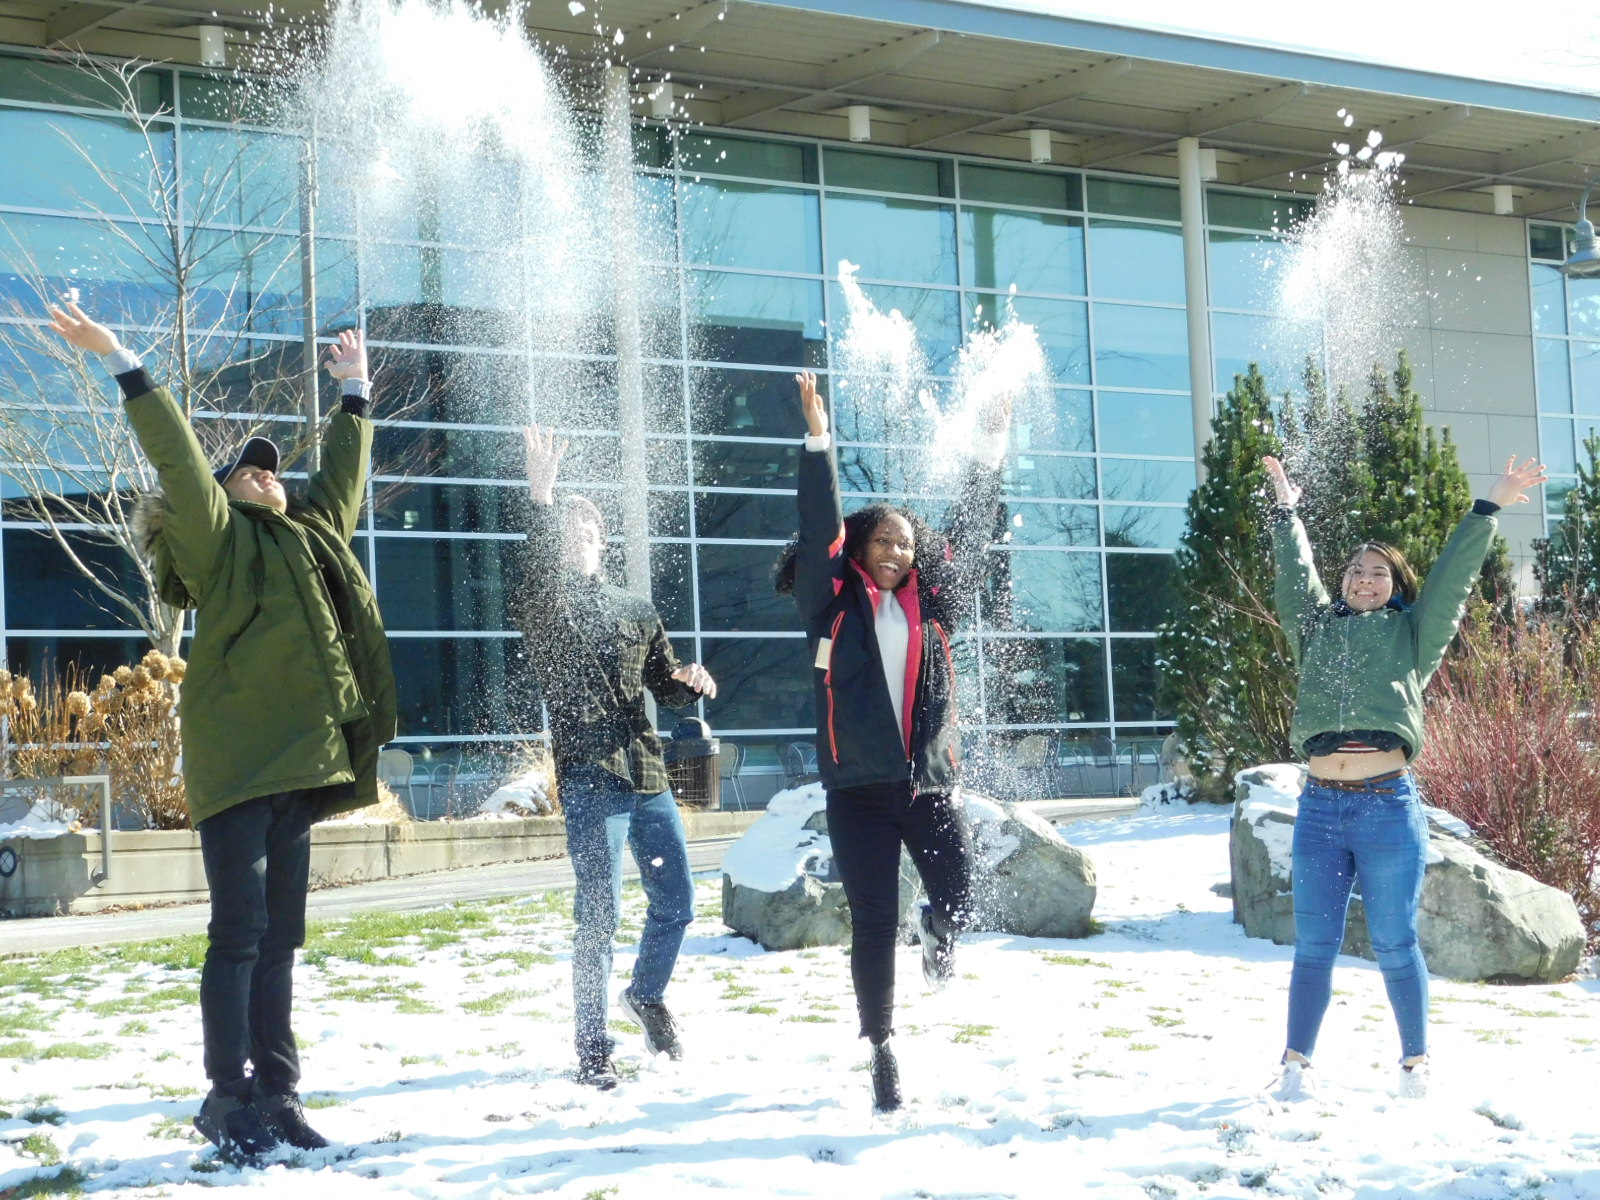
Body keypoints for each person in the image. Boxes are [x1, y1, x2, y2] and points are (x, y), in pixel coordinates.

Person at [47, 304, 397, 1157]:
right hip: (238, 769)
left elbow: (342, 481)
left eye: (275, 471)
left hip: (300, 766)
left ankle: (277, 1094)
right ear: (224, 492)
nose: (269, 476)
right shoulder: (217, 542)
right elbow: (176, 458)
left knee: (281, 941)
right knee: (239, 937)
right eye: (251, 471)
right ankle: (225, 1098)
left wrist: (354, 395)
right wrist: (122, 360)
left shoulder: (310, 538)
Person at [1263, 452, 1545, 1102]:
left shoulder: (1412, 633)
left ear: (1395, 586)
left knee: (1394, 941)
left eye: (1378, 572)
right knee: (1314, 945)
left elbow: (1451, 580)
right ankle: (1296, 1064)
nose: (1364, 579)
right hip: (1319, 809)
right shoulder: (1314, 627)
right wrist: (1285, 510)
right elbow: (1293, 573)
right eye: (1355, 570)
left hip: (1386, 808)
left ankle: (1415, 1065)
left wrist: (1487, 507)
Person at [773, 371, 1008, 1114]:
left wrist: (990, 453)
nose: (896, 551)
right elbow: (819, 527)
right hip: (859, 793)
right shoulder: (831, 604)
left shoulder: (934, 609)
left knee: (960, 896)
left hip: (928, 786)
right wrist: (819, 441)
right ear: (861, 545)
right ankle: (881, 1048)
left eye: (906, 544)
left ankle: (938, 929)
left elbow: (972, 534)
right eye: (883, 539)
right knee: (873, 924)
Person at [515, 425, 717, 1089]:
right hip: (589, 777)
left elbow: (665, 685)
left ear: (604, 540)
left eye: (588, 527)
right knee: (598, 914)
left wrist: (690, 682)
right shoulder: (545, 604)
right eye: (567, 529)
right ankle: (592, 1047)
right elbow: (535, 567)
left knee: (678, 902)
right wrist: (541, 497)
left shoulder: (637, 607)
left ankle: (646, 995)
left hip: (647, 774)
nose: (578, 533)